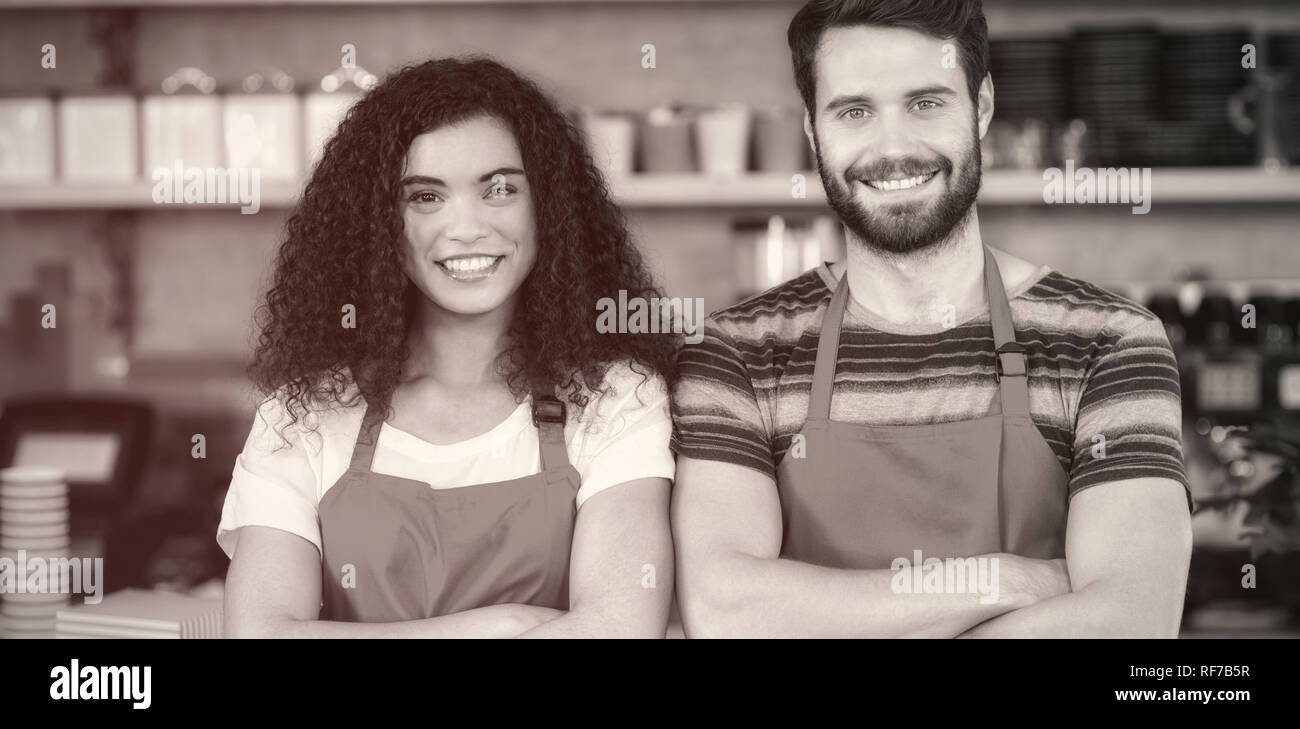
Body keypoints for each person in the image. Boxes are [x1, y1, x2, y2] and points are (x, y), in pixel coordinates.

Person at [670, 0, 1193, 637]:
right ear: (813, 131)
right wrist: (1003, 579)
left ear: (983, 107)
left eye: (926, 102)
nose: (893, 149)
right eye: (855, 111)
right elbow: (727, 614)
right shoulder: (737, 352)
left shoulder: (1110, 342)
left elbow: (1131, 626)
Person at [218, 57, 678, 638]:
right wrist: (503, 625)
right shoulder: (303, 417)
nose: (467, 227)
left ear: (551, 210)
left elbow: (619, 629)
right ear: (378, 222)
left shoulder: (616, 400)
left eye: (501, 189)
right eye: (425, 197)